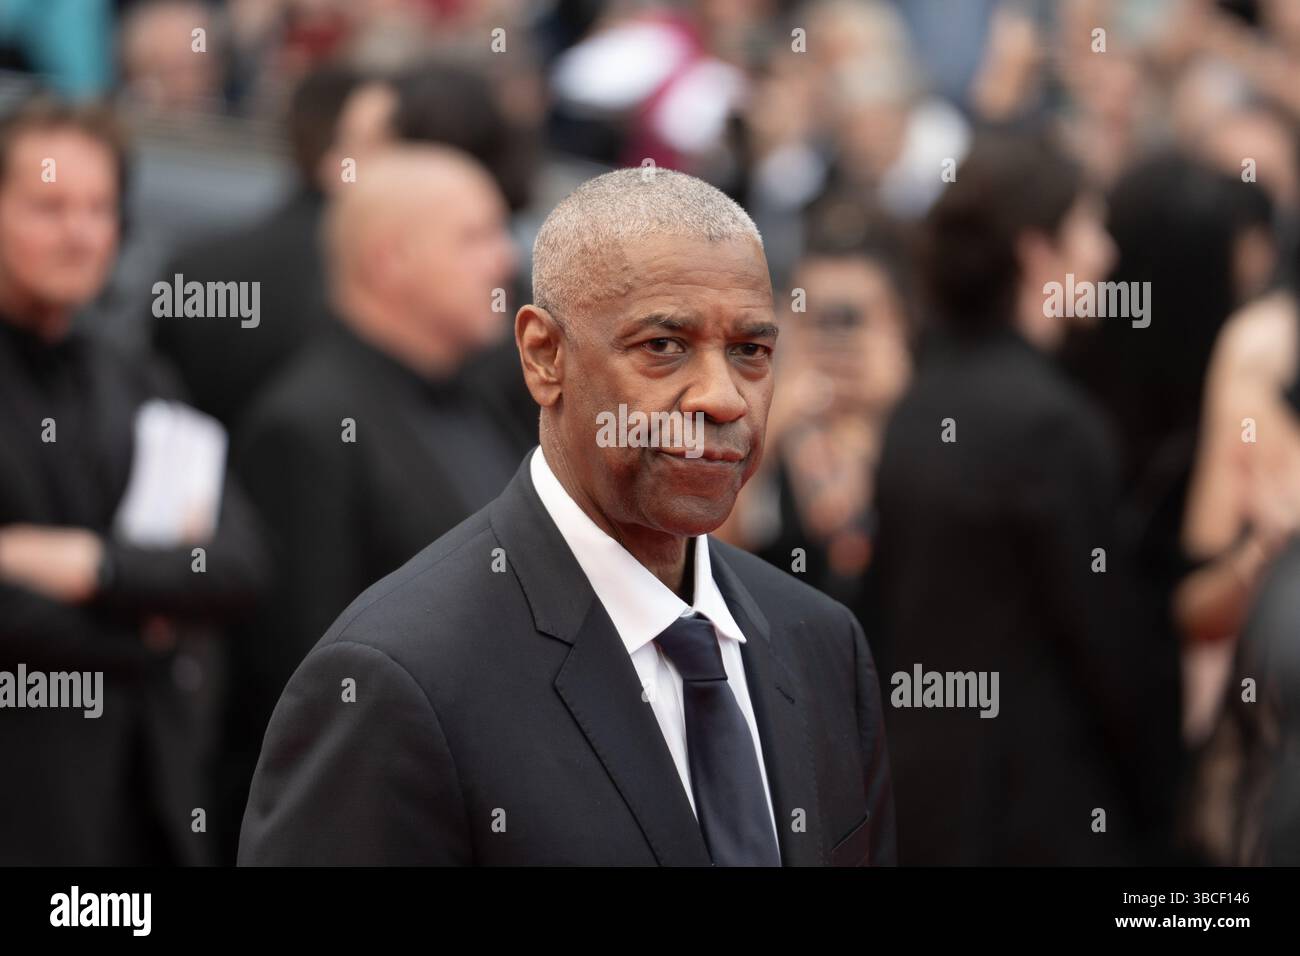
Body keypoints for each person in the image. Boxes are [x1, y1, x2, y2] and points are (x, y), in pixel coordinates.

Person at [239, 167, 896, 866]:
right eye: (663, 347)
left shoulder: (822, 643)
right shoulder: (399, 682)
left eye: (750, 352)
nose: (722, 397)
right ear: (543, 356)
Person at [872, 131, 1179, 864]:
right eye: (1089, 229)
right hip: (1039, 819)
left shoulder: (920, 403)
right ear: (1039, 251)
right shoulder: (1051, 426)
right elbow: (1108, 647)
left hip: (927, 806)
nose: (1106, 255)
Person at [222, 145, 525, 861]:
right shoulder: (305, 424)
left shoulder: (479, 399)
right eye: (475, 236)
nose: (506, 262)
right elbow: (316, 683)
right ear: (391, 260)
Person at [0, 96, 267, 865]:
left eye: (98, 207)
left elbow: (242, 562)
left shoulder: (131, 373)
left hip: (148, 800)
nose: (80, 233)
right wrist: (153, 626)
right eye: (48, 206)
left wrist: (94, 567)